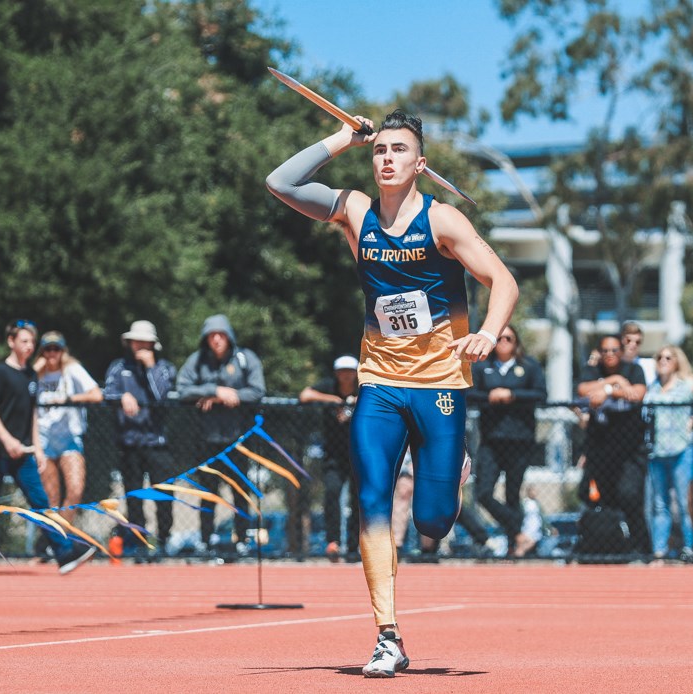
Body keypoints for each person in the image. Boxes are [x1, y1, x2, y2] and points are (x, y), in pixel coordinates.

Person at [267, 109, 518, 677]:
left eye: (398, 150)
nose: (386, 158)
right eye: (379, 149)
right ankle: (387, 634)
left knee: (432, 523)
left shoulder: (443, 221)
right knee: (373, 500)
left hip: (440, 382)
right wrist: (344, 137)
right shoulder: (355, 211)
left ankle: (450, 470)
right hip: (378, 380)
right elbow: (280, 183)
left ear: (419, 163)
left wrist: (486, 332)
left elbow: (503, 281)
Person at [0, 320, 96, 577]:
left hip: (23, 453)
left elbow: (32, 414)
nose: (29, 346)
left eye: (31, 342)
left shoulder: (31, 375)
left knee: (40, 501)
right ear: (11, 342)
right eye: (24, 341)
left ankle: (64, 553)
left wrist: (38, 448)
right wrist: (7, 439)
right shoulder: (1, 372)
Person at [176, 313, 266, 556]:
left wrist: (234, 395)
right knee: (207, 492)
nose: (216, 339)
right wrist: (215, 390)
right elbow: (182, 389)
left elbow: (258, 391)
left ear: (229, 337)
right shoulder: (197, 361)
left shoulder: (245, 359)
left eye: (221, 335)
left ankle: (242, 540)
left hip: (238, 439)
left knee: (240, 492)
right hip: (207, 438)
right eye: (211, 335)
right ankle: (206, 540)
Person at [467, 324, 546, 557]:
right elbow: (469, 394)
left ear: (516, 342)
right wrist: (490, 396)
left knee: (513, 493)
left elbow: (541, 394)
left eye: (508, 338)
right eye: (499, 338)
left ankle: (515, 546)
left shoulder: (528, 366)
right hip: (491, 439)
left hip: (520, 439)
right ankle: (519, 531)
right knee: (483, 493)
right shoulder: (483, 367)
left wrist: (512, 395)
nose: (503, 342)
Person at [643, 344, 693, 563]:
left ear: (677, 361)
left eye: (668, 358)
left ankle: (691, 548)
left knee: (687, 501)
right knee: (659, 504)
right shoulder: (651, 389)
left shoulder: (688, 386)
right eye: (659, 357)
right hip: (657, 453)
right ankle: (659, 550)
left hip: (681, 450)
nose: (663, 361)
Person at [104, 320, 178, 558]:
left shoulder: (164, 368)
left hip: (157, 443)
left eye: (144, 341)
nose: (139, 345)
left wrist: (150, 368)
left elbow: (161, 395)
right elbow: (106, 391)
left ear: (152, 344)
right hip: (129, 443)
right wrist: (123, 396)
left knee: (164, 496)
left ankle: (164, 541)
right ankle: (138, 542)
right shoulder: (118, 367)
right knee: (134, 497)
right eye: (136, 341)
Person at [574, 334, 650, 555]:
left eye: (614, 350)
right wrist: (613, 383)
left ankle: (641, 548)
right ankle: (608, 545)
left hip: (629, 449)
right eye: (605, 350)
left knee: (630, 496)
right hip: (600, 449)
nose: (610, 355)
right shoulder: (592, 370)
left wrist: (605, 391)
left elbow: (637, 393)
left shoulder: (634, 370)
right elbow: (582, 390)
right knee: (598, 498)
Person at [33, 331, 102, 535]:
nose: (52, 353)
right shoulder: (36, 372)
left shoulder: (72, 369)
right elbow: (18, 385)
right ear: (42, 351)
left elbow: (96, 394)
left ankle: (61, 536)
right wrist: (34, 369)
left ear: (63, 351)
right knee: (51, 498)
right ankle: (53, 543)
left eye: (56, 349)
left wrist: (68, 400)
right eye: (47, 349)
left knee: (75, 490)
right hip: (44, 438)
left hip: (69, 438)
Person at [299, 355, 361, 561]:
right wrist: (335, 400)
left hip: (359, 453)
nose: (346, 375)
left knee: (358, 500)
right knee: (332, 493)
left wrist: (353, 403)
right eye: (342, 371)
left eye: (350, 371)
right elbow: (305, 395)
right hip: (333, 455)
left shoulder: (363, 388)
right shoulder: (329, 386)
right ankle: (333, 542)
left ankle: (354, 547)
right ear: (336, 373)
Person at [620, 320, 656, 387]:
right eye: (628, 340)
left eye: (637, 342)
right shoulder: (611, 365)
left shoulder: (650, 365)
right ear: (621, 340)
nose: (633, 344)